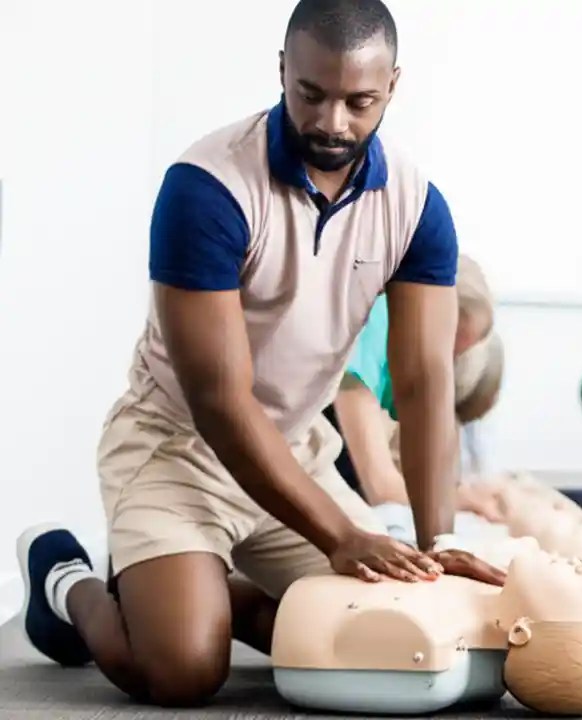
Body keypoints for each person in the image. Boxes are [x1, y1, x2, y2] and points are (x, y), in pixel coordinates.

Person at [15, 0, 502, 707]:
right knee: (182, 669)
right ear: (282, 70)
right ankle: (68, 577)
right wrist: (339, 534)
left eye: (359, 101)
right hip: (176, 451)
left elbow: (426, 385)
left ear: (393, 86)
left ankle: (186, 589)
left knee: (383, 642)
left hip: (295, 451)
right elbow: (219, 401)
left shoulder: (418, 205)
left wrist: (439, 537)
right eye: (312, 93)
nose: (333, 121)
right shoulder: (207, 187)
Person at [329, 253, 506, 542]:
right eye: (447, 352)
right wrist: (462, 500)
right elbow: (381, 486)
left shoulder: (390, 361)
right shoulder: (368, 338)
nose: (444, 373)